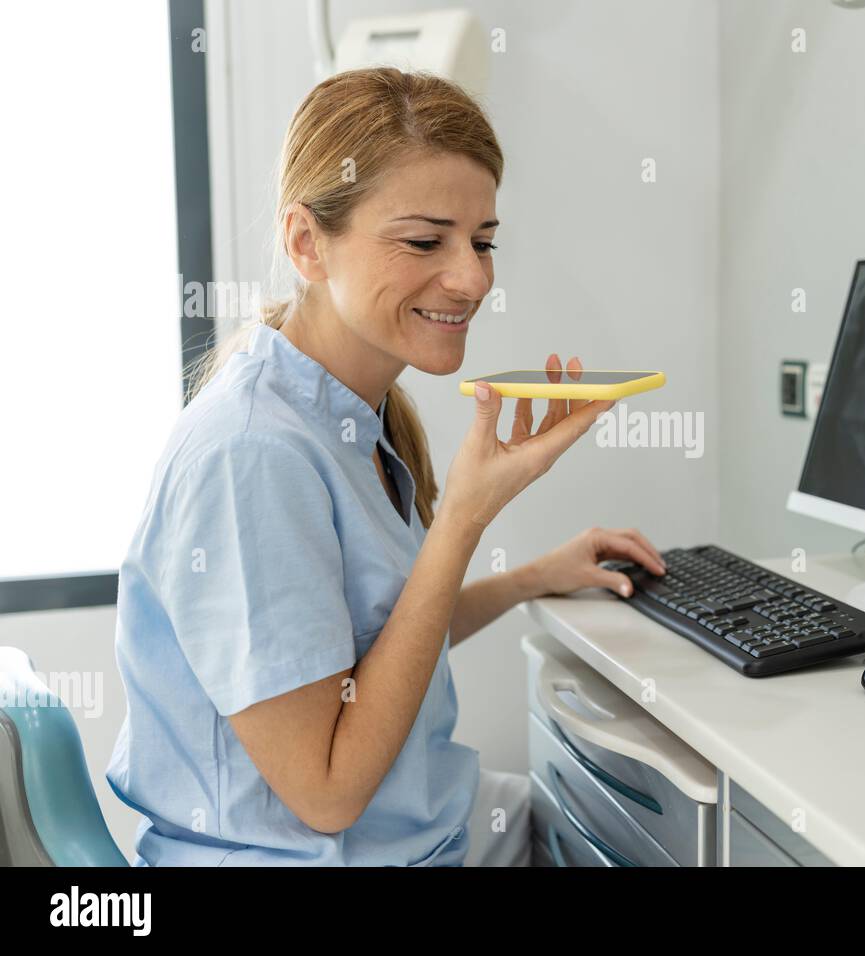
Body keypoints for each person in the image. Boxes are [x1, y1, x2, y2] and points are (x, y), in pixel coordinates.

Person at [105, 67, 665, 866]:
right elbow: (326, 792)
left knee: (609, 822)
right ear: (307, 243)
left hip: (418, 835)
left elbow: (369, 646)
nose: (472, 277)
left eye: (483, 241)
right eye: (424, 240)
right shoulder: (252, 456)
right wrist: (466, 518)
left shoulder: (351, 418)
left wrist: (532, 576)